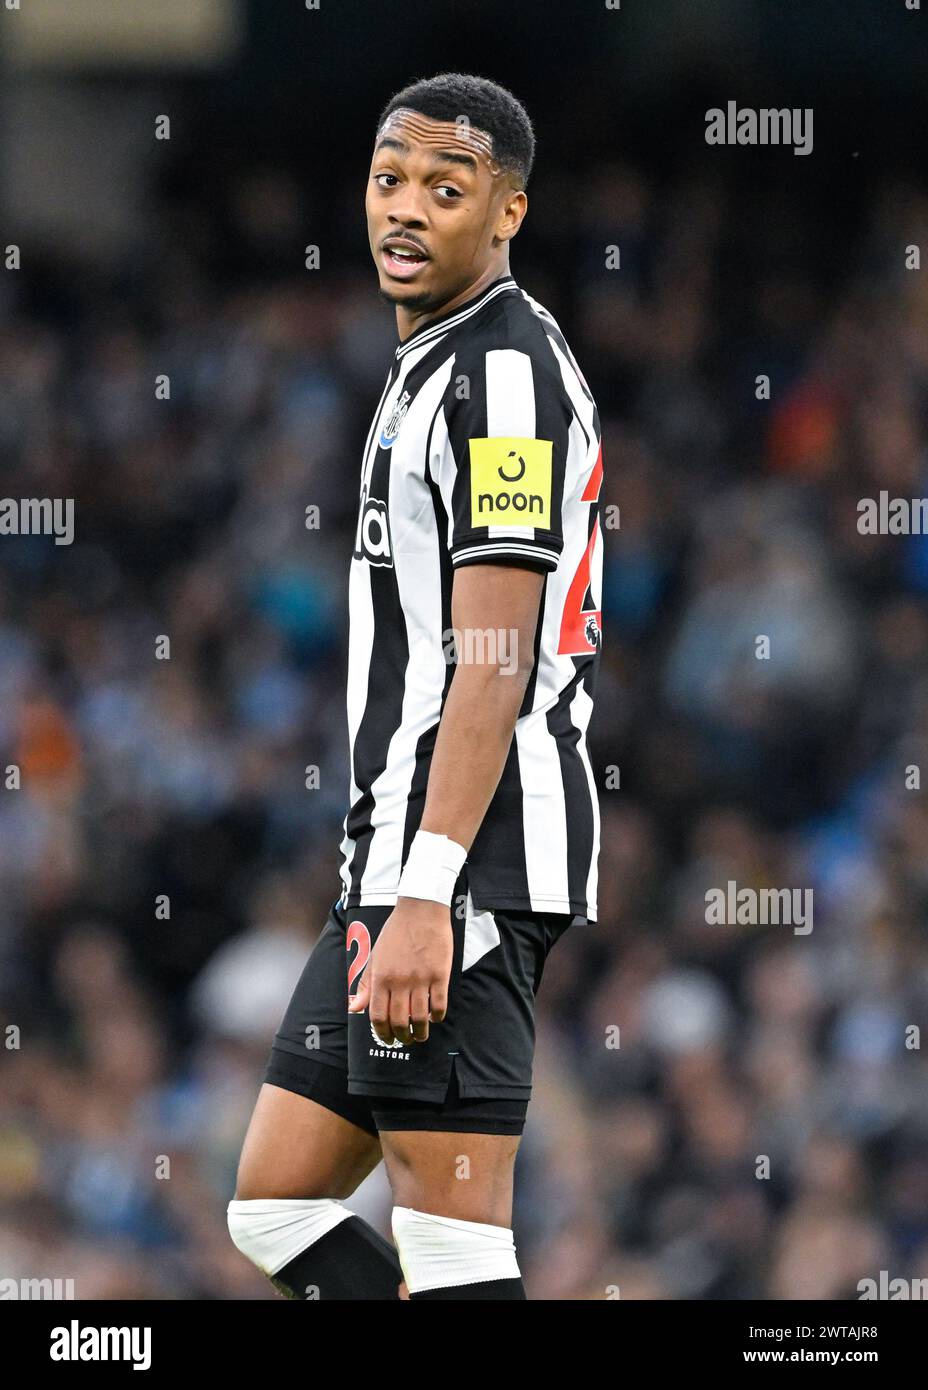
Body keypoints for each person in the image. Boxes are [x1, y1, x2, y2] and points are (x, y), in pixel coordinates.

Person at [228, 71, 603, 1301]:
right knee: (276, 1205)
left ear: (508, 213)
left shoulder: (502, 378)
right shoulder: (431, 361)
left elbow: (493, 654)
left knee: (451, 1255)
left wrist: (428, 893)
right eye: (390, 179)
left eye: (447, 189)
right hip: (398, 856)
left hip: (463, 860)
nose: (405, 209)